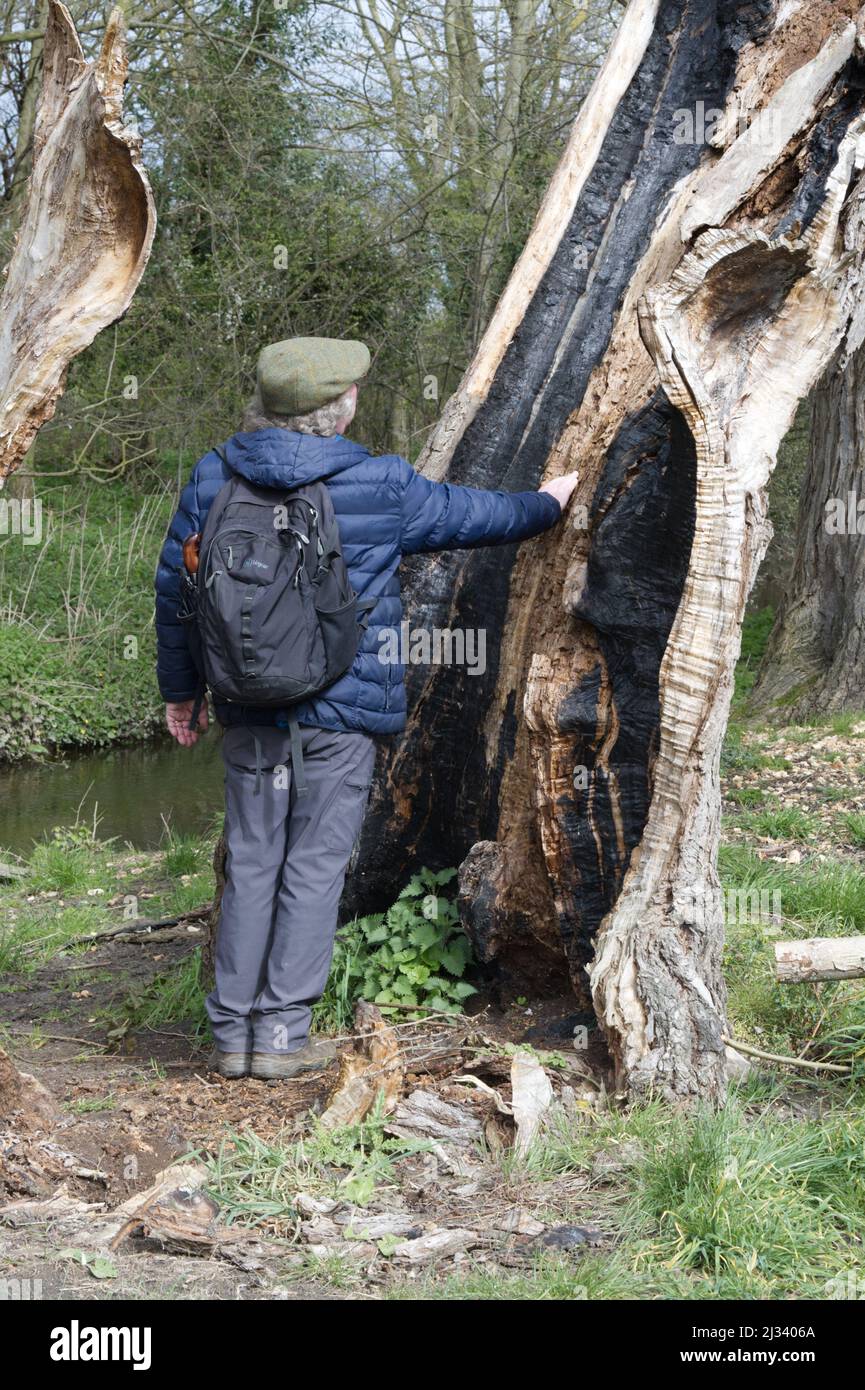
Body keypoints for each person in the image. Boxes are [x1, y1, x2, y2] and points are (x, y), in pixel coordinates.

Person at [155, 337, 579, 1079]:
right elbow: (473, 516)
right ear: (340, 407)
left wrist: (180, 691)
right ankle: (282, 1038)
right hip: (338, 715)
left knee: (253, 862)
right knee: (314, 870)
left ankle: (231, 1038)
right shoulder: (378, 483)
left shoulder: (212, 475)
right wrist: (548, 502)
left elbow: (175, 593)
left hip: (251, 712)